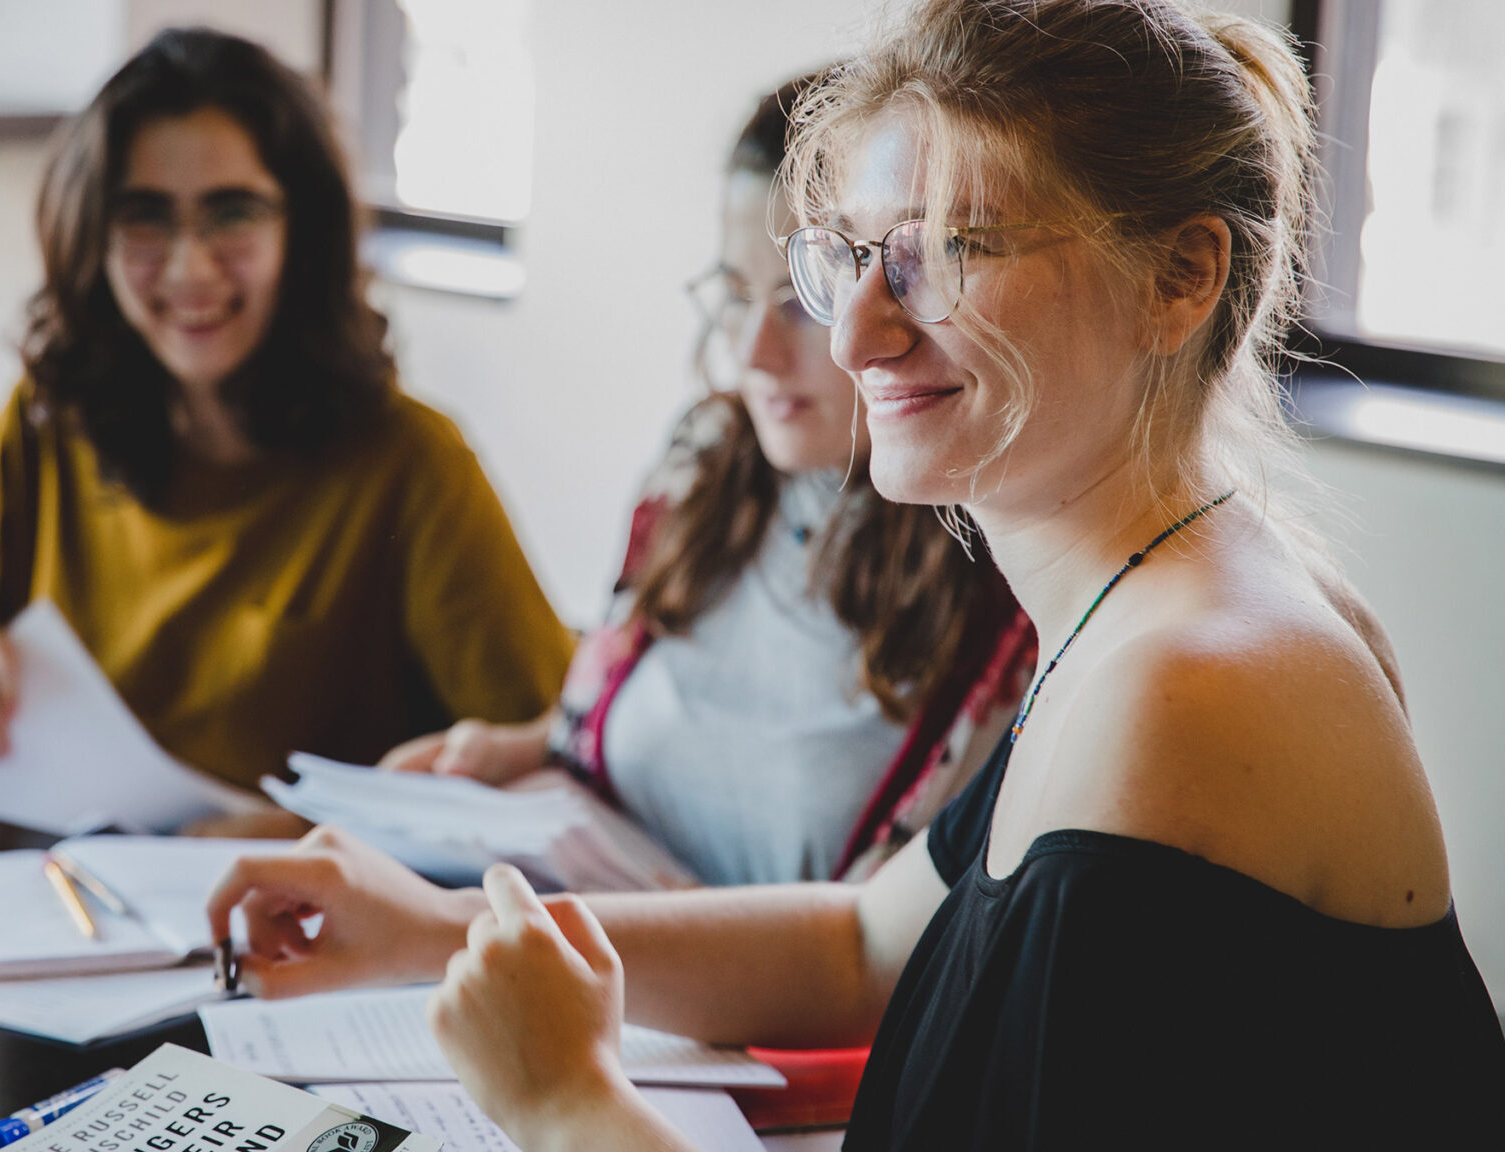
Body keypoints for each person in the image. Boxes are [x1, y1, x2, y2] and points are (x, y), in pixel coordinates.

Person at [208, 0, 1505, 1144]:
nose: (861, 335)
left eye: (952, 252)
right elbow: (864, 943)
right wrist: (429, 932)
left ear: (1181, 278)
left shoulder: (1188, 694)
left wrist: (566, 1105)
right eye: (852, 259)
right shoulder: (1145, 614)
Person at [0, 29, 574, 821]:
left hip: (298, 922)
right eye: (145, 220)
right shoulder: (47, 421)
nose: (189, 269)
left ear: (300, 231)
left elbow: (556, 753)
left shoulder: (412, 466)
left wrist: (310, 829)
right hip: (51, 901)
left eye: (230, 214)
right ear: (93, 243)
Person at [379, 75, 1033, 887]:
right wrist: (515, 751)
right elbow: (622, 740)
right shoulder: (708, 460)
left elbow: (884, 958)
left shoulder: (1006, 595)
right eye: (732, 295)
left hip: (724, 1009)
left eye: (804, 300)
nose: (752, 353)